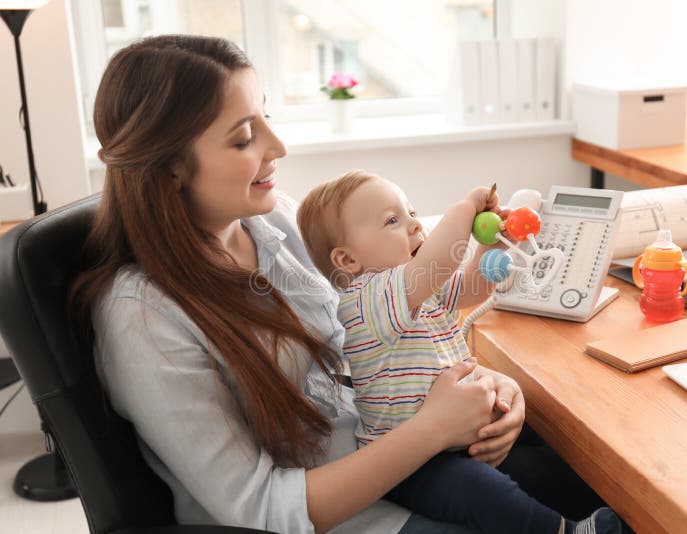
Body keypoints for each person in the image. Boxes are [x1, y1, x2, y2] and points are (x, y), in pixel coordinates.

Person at [71, 34, 617, 534]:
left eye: (266, 118)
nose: (278, 147)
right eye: (243, 138)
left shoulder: (278, 223)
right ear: (170, 168)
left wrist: (492, 391)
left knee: (609, 485)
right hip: (352, 514)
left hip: (403, 454)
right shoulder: (142, 319)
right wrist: (431, 429)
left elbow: (373, 347)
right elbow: (263, 507)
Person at [296, 171, 621, 534]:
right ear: (347, 260)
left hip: (455, 435)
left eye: (412, 212)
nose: (416, 225)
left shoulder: (417, 289)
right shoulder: (365, 299)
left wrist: (496, 242)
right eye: (392, 221)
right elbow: (441, 263)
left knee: (545, 456)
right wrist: (466, 209)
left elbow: (472, 287)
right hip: (412, 463)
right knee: (484, 493)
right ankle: (562, 531)